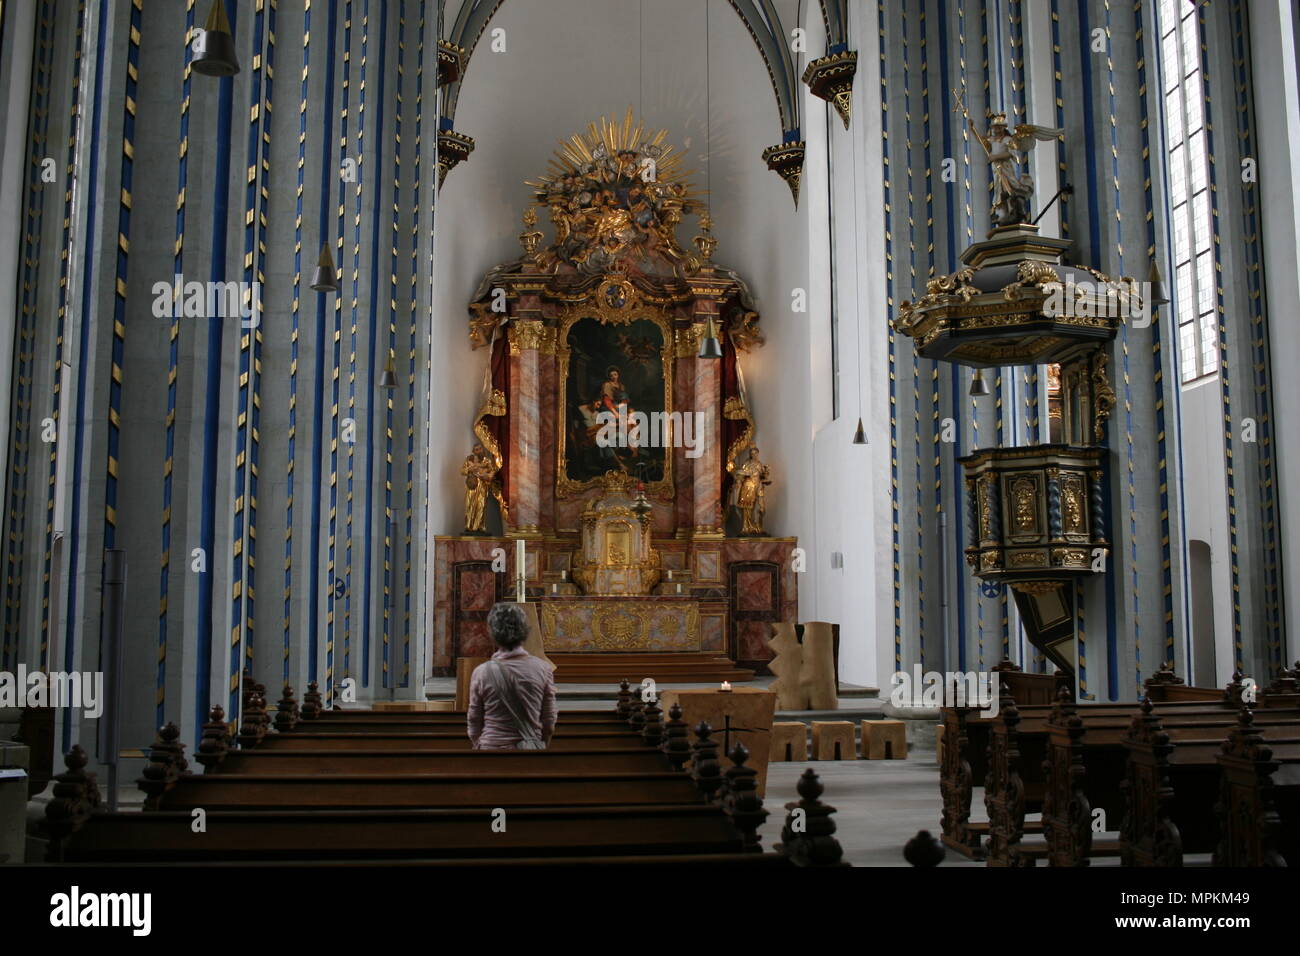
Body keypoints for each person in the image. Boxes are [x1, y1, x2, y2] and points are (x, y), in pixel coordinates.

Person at [467, 602, 557, 750]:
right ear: (524, 631)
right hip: (528, 752)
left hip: (491, 751)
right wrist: (539, 746)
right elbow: (549, 721)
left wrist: (480, 746)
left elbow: (474, 721)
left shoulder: (482, 672)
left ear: (492, 633)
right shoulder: (542, 669)